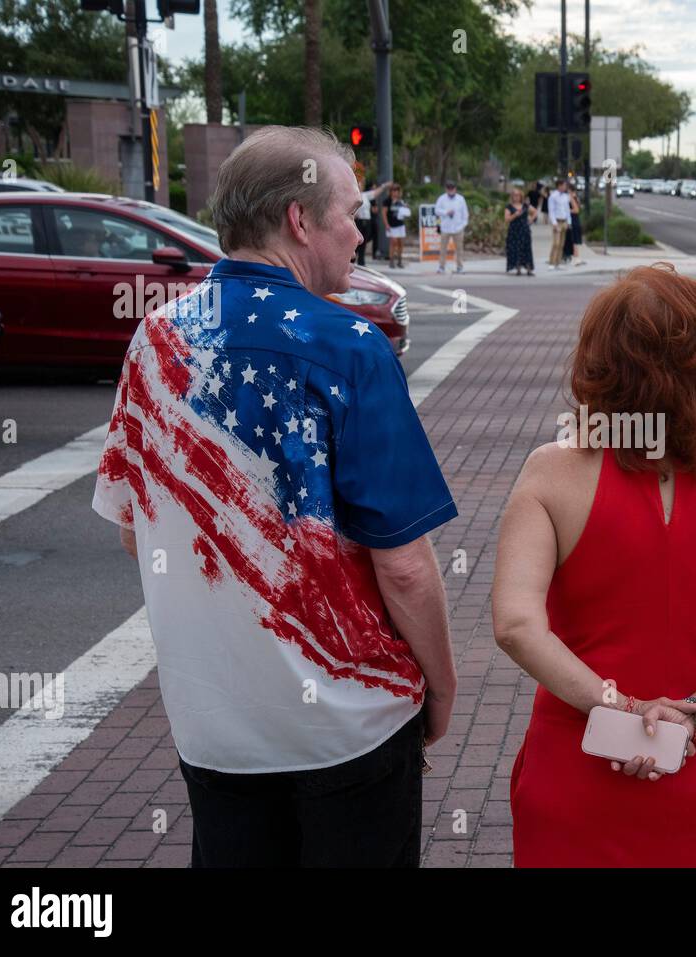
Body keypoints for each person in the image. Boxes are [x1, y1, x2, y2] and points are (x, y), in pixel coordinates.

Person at [91, 125, 459, 868]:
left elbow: (134, 528)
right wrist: (440, 691)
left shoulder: (153, 341)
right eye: (350, 212)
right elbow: (409, 567)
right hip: (348, 727)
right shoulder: (352, 347)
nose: (362, 231)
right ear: (300, 218)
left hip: (214, 728)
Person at [493, 263, 696, 867]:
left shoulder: (553, 472)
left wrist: (623, 713)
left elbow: (517, 625)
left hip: (582, 766)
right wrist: (693, 716)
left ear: (598, 365)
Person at [434, 179, 469, 274]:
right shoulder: (442, 198)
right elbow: (436, 210)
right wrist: (446, 212)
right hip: (445, 227)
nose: (450, 190)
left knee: (459, 249)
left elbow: (465, 214)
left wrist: (463, 225)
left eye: (452, 188)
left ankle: (459, 267)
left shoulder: (460, 199)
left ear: (455, 189)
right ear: (446, 189)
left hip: (458, 228)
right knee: (443, 248)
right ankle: (441, 267)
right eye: (449, 188)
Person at [353, 177, 390, 266]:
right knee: (357, 242)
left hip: (367, 221)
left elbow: (376, 192)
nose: (360, 186)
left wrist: (385, 186)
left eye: (361, 185)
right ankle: (352, 260)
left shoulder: (365, 195)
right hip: (359, 221)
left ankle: (361, 262)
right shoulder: (353, 195)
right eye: (359, 184)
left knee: (364, 242)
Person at [503, 186, 537, 276]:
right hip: (514, 230)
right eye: (514, 195)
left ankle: (529, 269)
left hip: (524, 230)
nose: (516, 197)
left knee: (526, 249)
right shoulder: (509, 207)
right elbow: (506, 219)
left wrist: (531, 220)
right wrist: (515, 215)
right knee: (516, 249)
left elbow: (534, 211)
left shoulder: (525, 205)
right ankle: (518, 268)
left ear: (521, 196)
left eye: (518, 195)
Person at [382, 182, 411, 269]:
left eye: (397, 191)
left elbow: (404, 213)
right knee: (393, 242)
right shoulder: (387, 201)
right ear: (390, 191)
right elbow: (384, 214)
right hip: (391, 225)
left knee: (401, 243)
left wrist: (406, 208)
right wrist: (386, 224)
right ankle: (391, 261)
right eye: (393, 190)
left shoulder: (400, 201)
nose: (395, 192)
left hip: (400, 225)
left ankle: (399, 261)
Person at [546, 179, 572, 270]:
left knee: (562, 243)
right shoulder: (553, 196)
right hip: (557, 221)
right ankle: (552, 262)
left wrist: (569, 222)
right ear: (559, 186)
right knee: (556, 243)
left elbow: (567, 210)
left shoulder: (566, 196)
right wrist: (554, 223)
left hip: (564, 220)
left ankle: (558, 262)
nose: (565, 187)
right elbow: (551, 210)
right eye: (564, 185)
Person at [563, 181, 586, 266]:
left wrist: (566, 211)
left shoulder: (572, 197)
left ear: (570, 190)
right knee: (574, 239)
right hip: (574, 220)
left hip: (573, 220)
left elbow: (576, 210)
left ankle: (576, 258)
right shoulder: (575, 196)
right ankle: (576, 257)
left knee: (574, 240)